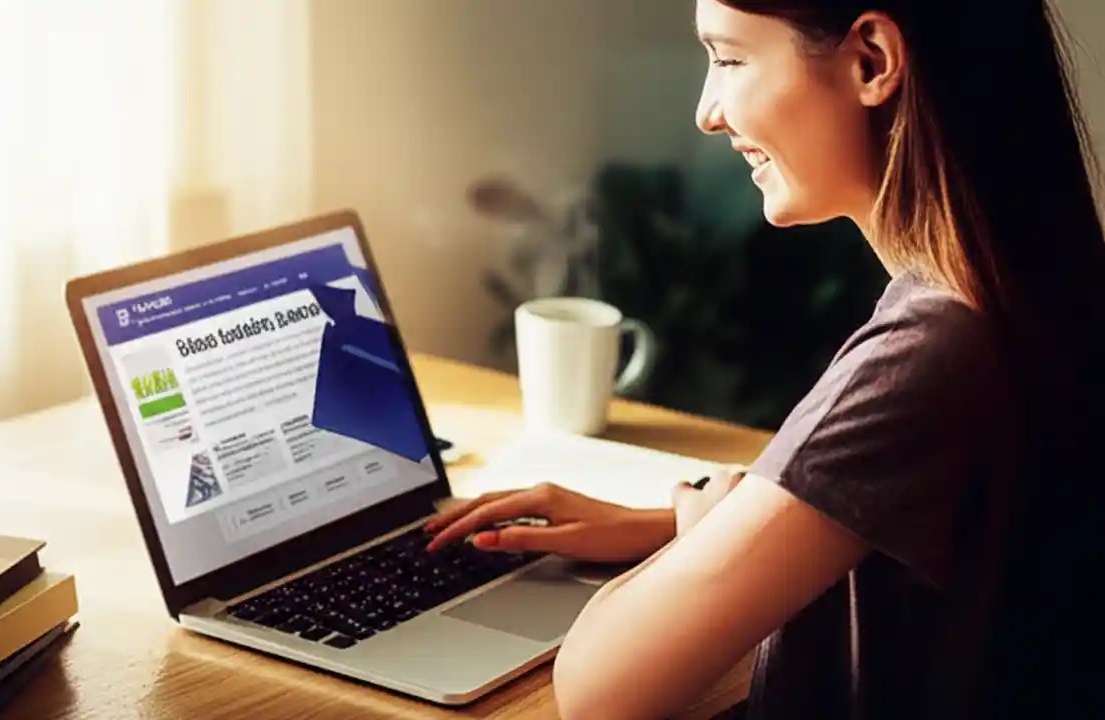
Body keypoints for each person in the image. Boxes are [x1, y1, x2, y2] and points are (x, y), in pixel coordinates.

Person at [425, 1, 1105, 718]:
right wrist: (700, 518)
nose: (707, 112)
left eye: (727, 59)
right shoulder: (1039, 294)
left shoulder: (932, 350)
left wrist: (712, 538)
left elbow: (600, 691)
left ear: (871, 60)